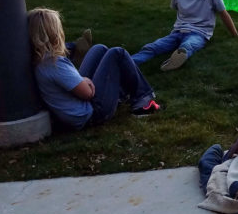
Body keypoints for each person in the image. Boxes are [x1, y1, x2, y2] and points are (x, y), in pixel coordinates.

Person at [29, 8, 160, 130]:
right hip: (92, 114)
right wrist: (84, 80)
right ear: (54, 35)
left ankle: (118, 93)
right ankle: (144, 102)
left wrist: (83, 81)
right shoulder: (55, 64)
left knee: (99, 49)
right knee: (117, 53)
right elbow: (88, 94)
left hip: (80, 103)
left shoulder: (43, 61)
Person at [132, 0, 238, 71]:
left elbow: (223, 13)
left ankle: (174, 61)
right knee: (152, 47)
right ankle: (125, 62)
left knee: (187, 46)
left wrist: (235, 35)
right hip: (178, 31)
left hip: (199, 33)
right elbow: (176, 7)